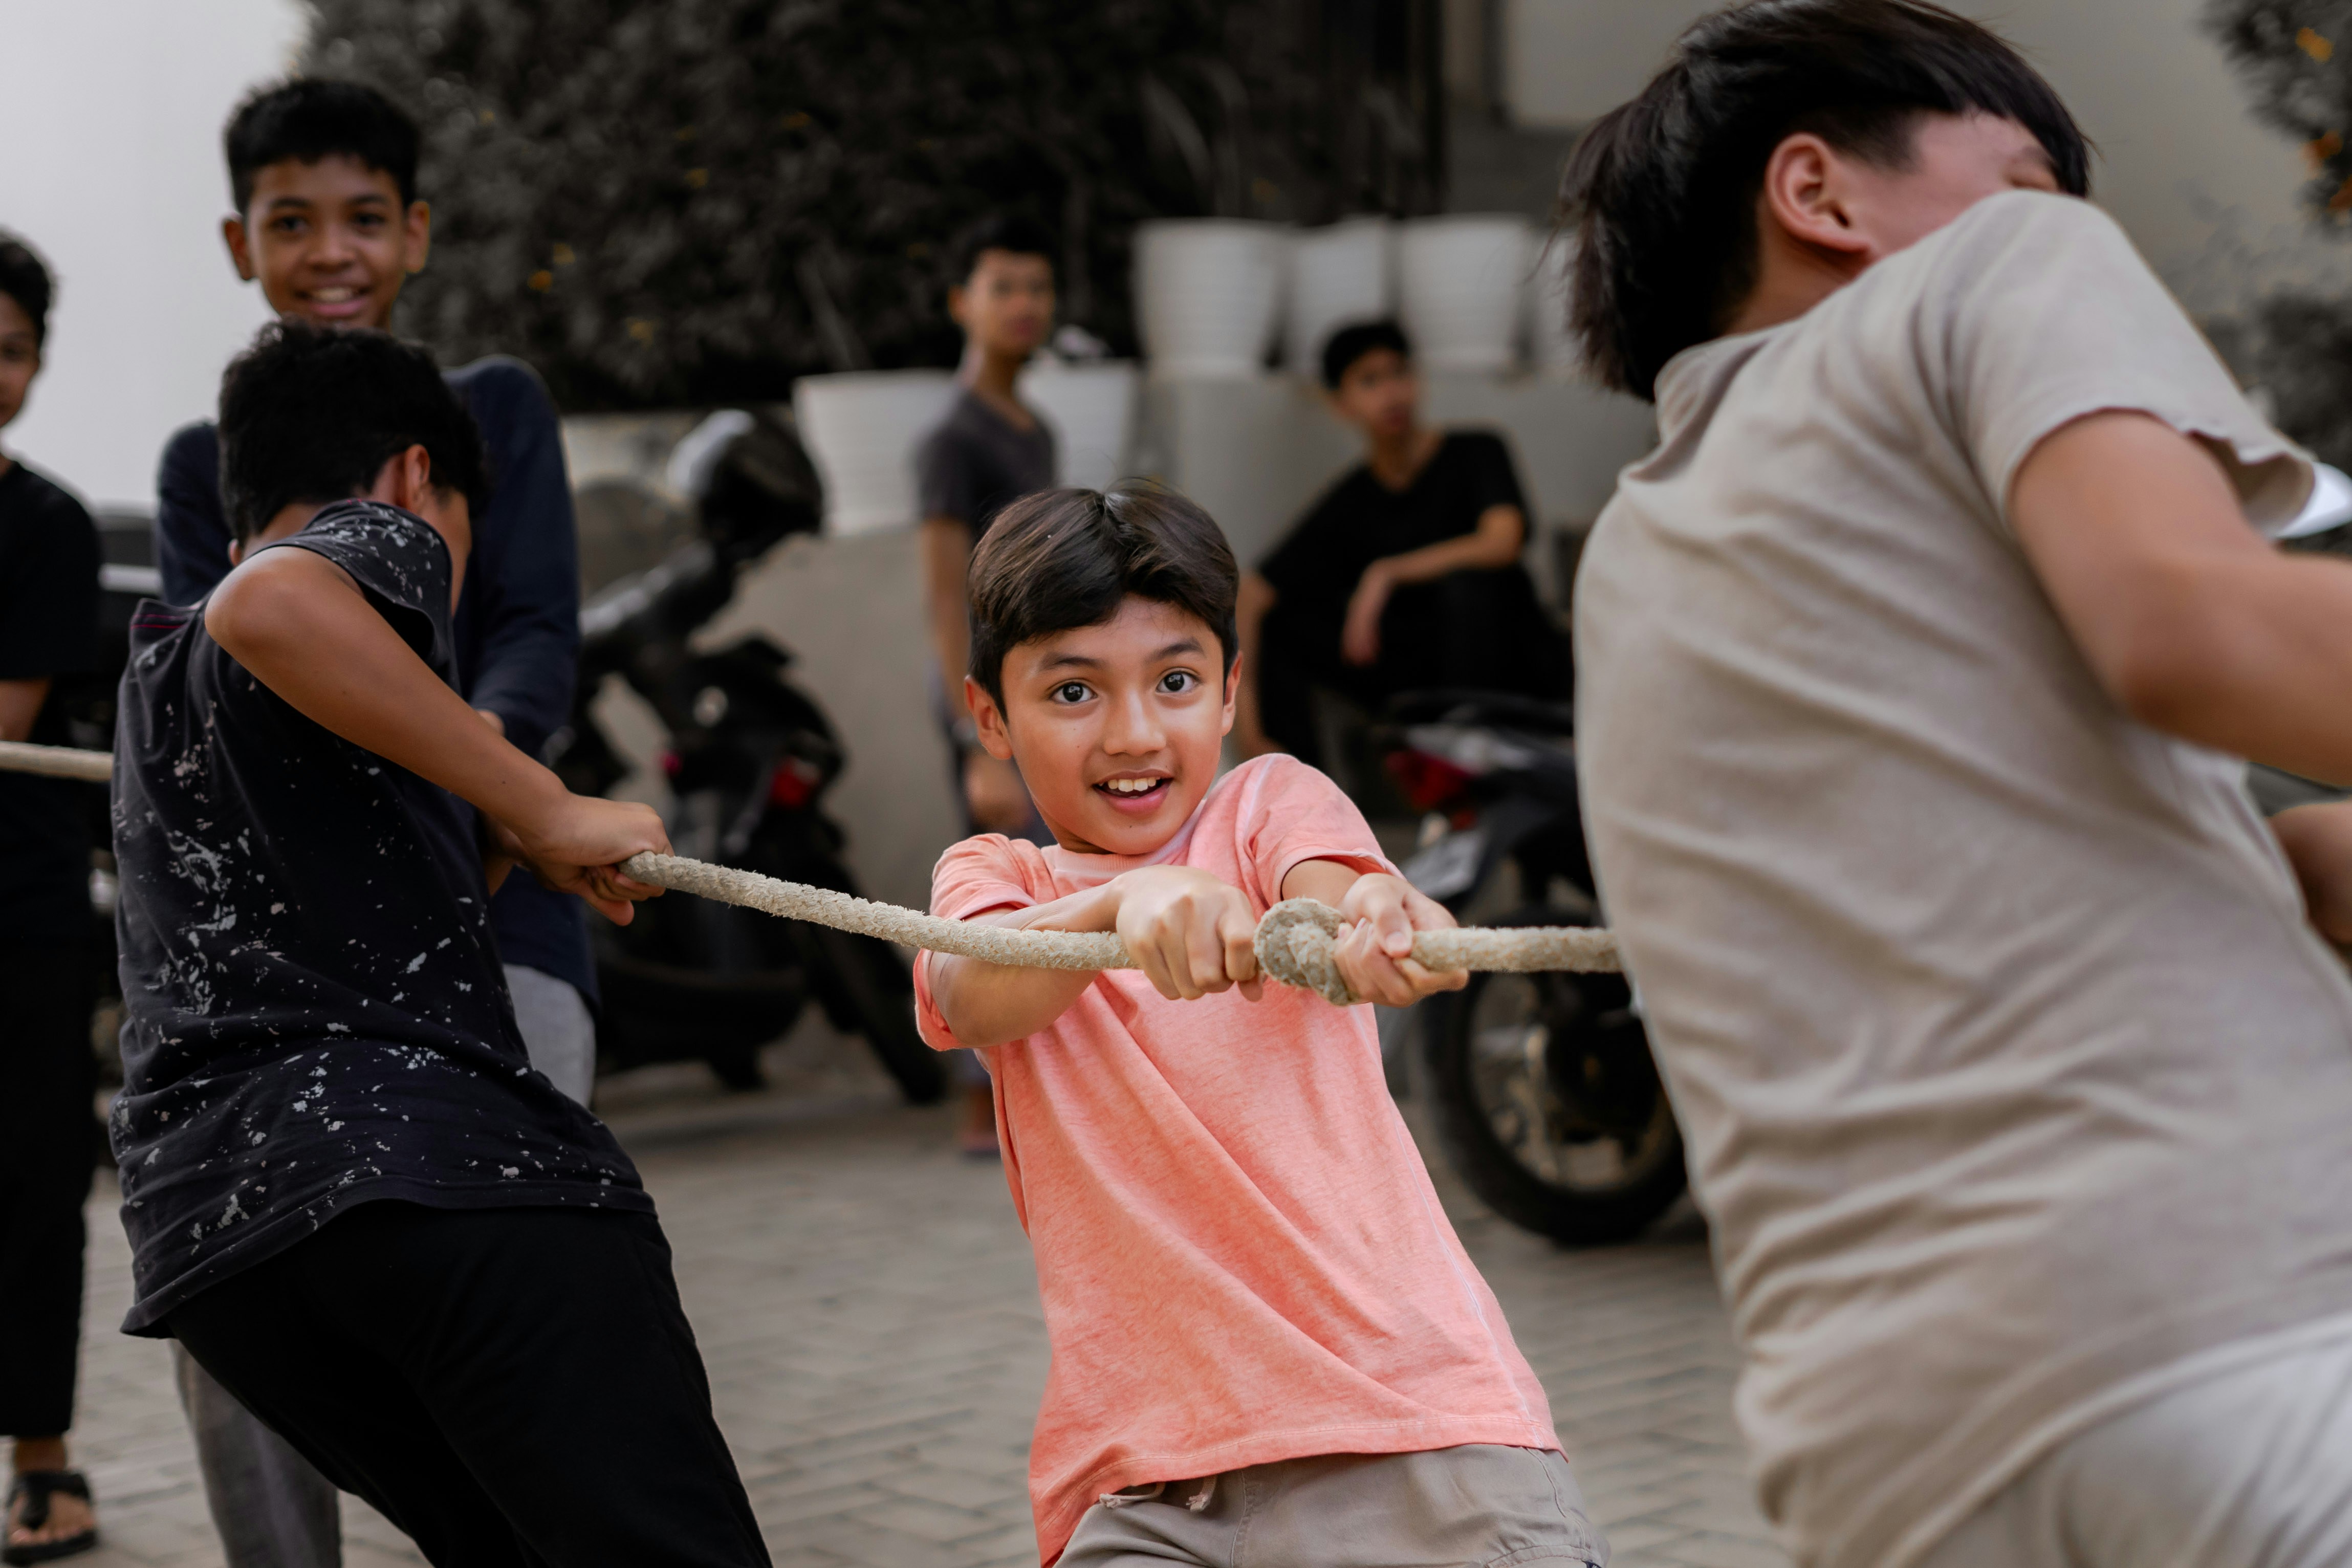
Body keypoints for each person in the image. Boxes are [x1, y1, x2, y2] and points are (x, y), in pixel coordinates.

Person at [1563, 4, 2352, 1566]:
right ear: (1818, 193)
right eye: (2026, 177)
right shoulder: (1994, 265)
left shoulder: (1637, 560)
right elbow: (2194, 626)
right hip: (2229, 1320)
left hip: (1890, 1465)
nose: (2070, 229)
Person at [113, 319, 768, 1568]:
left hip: (221, 1244)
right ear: (420, 481)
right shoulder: (358, 544)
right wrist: (538, 792)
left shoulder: (159, 673)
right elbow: (278, 595)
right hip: (430, 1173)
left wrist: (489, 834)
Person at [914, 485, 1607, 1568]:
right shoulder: (996, 879)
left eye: (1176, 680)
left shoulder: (1266, 807)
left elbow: (1333, 890)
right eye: (1073, 690)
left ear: (1231, 689)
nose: (1134, 731)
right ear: (990, 714)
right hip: (1145, 1486)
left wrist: (1375, 915)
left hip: (1418, 1441)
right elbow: (967, 986)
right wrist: (1116, 905)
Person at [151, 79, 598, 1566]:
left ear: (413, 231)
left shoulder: (493, 412)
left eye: (362, 218)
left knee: (536, 1285)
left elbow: (532, 626)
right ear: (241, 241)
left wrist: (499, 791)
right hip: (282, 973)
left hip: (504, 914)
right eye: (292, 221)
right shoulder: (196, 456)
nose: (329, 251)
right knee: (237, 1265)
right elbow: (221, 678)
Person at [1237, 320, 1567, 766]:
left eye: (1398, 374)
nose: (1392, 393)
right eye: (1370, 381)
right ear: (1342, 404)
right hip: (1417, 677)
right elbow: (1254, 595)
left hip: (1507, 666)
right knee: (1283, 624)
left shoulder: (1476, 450)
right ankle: (1290, 786)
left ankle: (1463, 745)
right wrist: (1249, 730)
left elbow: (1502, 541)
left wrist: (1386, 572)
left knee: (1467, 584)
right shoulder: (1352, 500)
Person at [913, 213, 1059, 1155]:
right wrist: (979, 736)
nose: (1024, 305)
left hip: (1038, 692)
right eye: (1002, 286)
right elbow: (941, 591)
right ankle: (980, 1097)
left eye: (1038, 287)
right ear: (963, 302)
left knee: (1051, 885)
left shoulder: (1033, 428)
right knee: (995, 891)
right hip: (985, 703)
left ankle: (1036, 1087)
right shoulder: (951, 438)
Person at [0, 234, 103, 1564]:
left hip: (16, 912)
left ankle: (43, 1462)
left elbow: (10, 712)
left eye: (11, 349)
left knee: (28, 1182)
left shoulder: (46, 525)